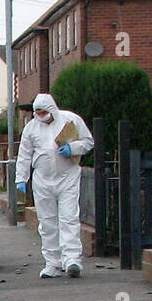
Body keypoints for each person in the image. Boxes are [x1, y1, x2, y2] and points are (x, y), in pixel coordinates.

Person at [15, 92, 94, 278]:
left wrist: (73, 148)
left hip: (68, 176)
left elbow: (88, 141)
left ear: (52, 109)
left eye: (44, 112)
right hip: (42, 180)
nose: (41, 116)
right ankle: (53, 263)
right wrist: (21, 178)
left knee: (69, 218)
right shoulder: (31, 128)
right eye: (38, 112)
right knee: (47, 222)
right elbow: (24, 154)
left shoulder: (70, 120)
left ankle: (72, 259)